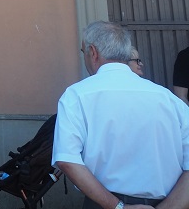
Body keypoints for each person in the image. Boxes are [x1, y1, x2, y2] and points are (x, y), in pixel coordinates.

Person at [53, 21, 189, 209]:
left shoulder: (77, 95)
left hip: (103, 205)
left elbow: (67, 159)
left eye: (83, 52)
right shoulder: (169, 99)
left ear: (93, 52)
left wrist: (119, 207)